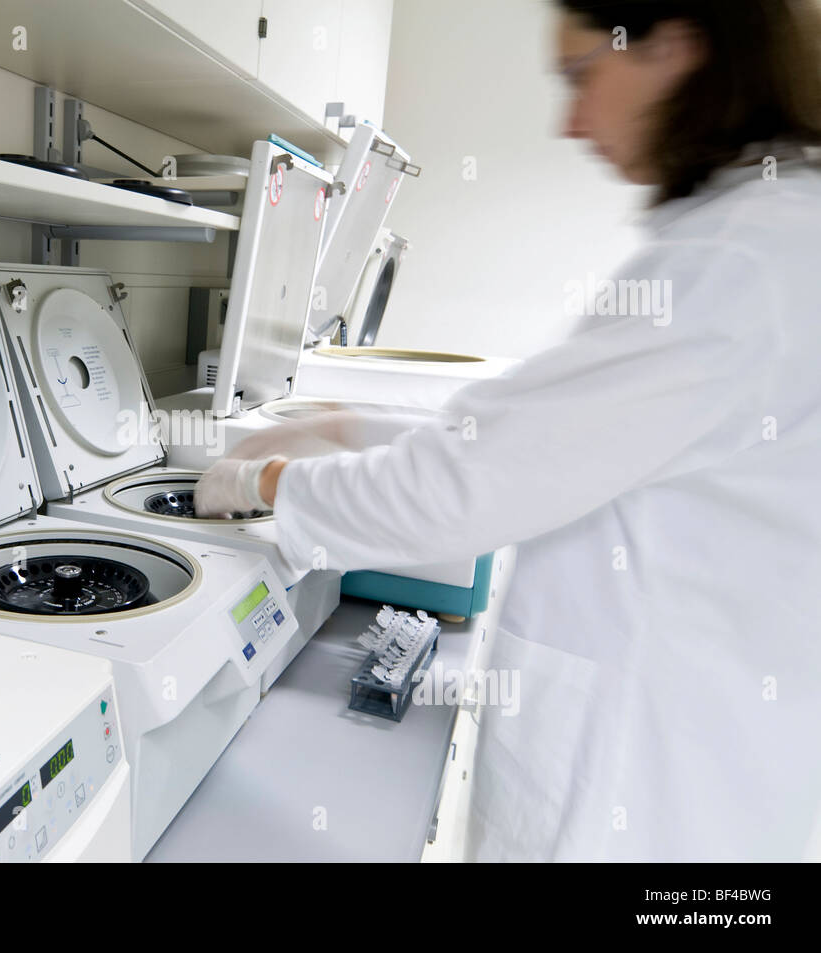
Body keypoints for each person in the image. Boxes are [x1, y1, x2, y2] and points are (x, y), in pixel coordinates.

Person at [196, 0, 821, 861]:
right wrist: (352, 422)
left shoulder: (740, 255)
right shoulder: (772, 227)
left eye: (581, 75)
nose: (570, 120)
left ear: (675, 50)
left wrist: (264, 484)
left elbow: (469, 485)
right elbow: (556, 439)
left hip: (661, 803)